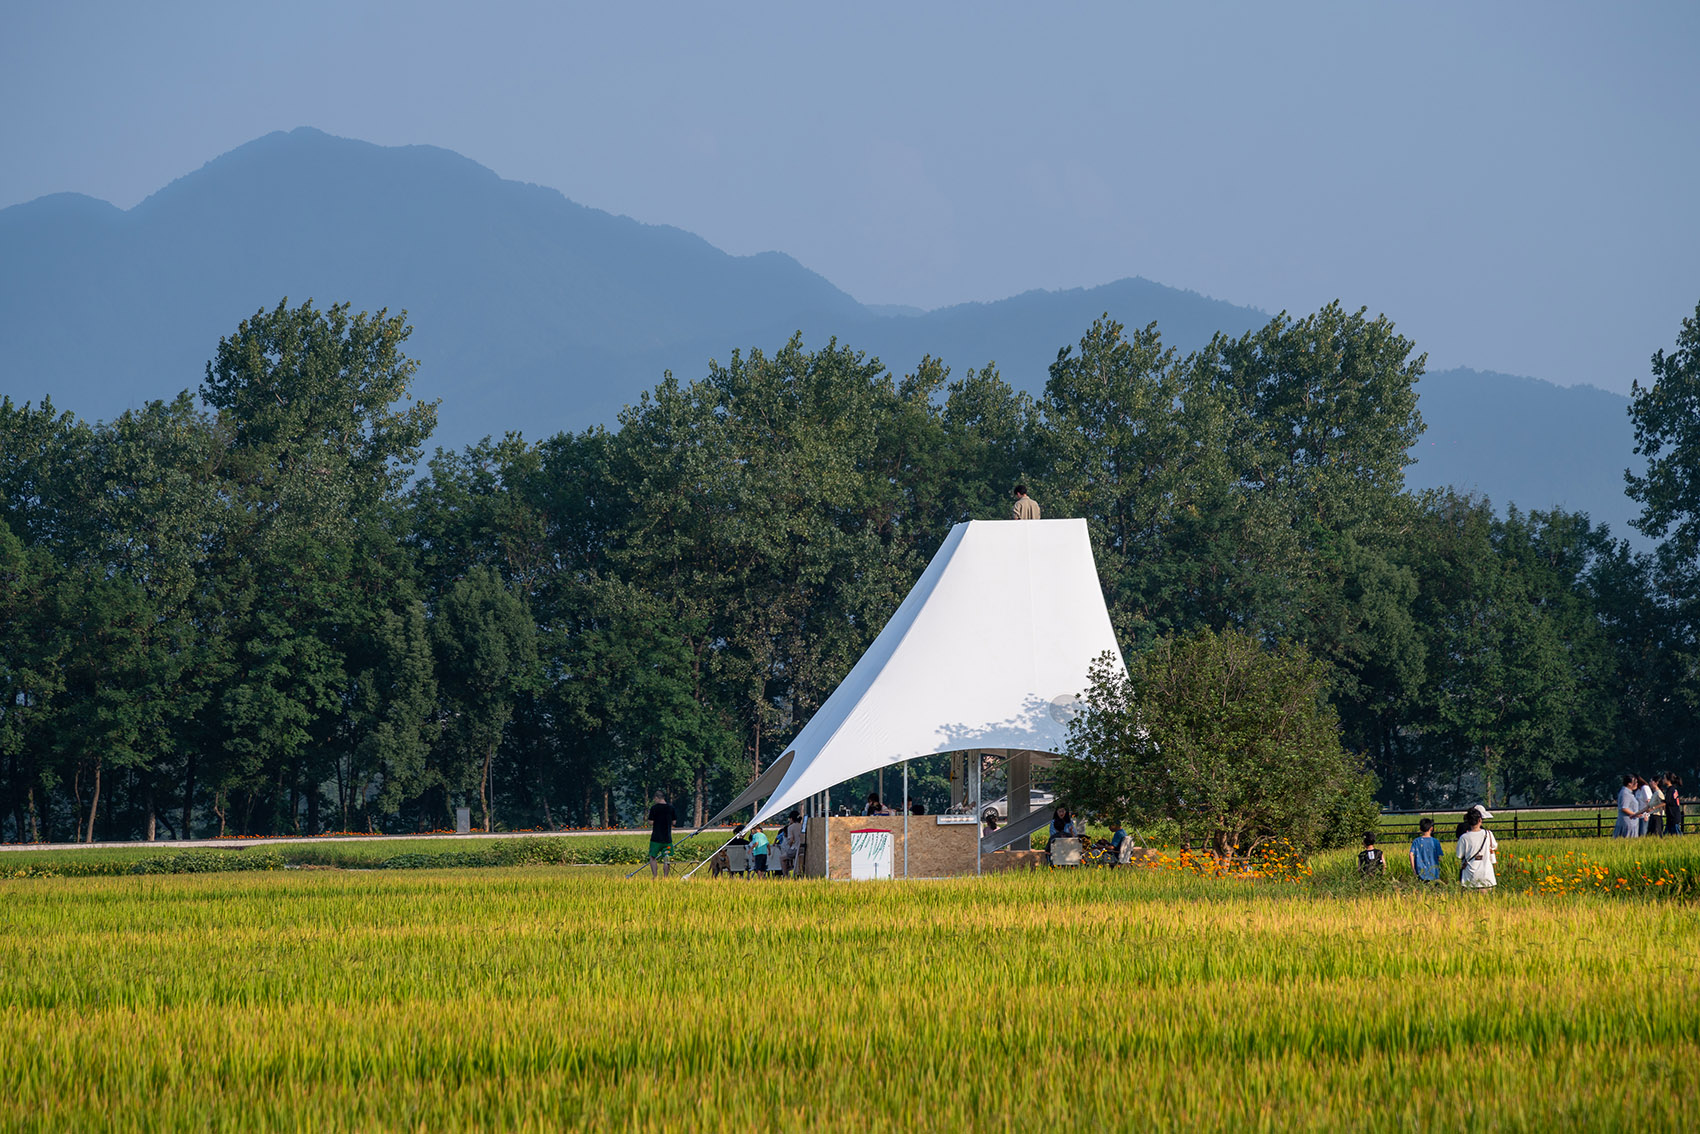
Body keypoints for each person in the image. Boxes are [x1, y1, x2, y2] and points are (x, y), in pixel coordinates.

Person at [1456, 809, 1498, 890]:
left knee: (1469, 900)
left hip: (1469, 876)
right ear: (1480, 820)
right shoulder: (1488, 834)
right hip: (1486, 874)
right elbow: (1494, 847)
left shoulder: (1464, 837)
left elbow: (1459, 855)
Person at [646, 791, 679, 878]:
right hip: (667, 839)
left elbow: (650, 822)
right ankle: (665, 877)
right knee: (666, 859)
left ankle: (655, 876)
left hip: (656, 839)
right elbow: (674, 822)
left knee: (652, 857)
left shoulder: (654, 808)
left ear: (656, 798)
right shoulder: (671, 808)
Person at [1408, 818, 1443, 884]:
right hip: (1433, 871)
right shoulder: (1435, 841)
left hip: (1420, 871)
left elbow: (1411, 854)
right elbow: (1440, 858)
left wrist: (1414, 869)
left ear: (1420, 829)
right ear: (1431, 828)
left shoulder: (1416, 841)